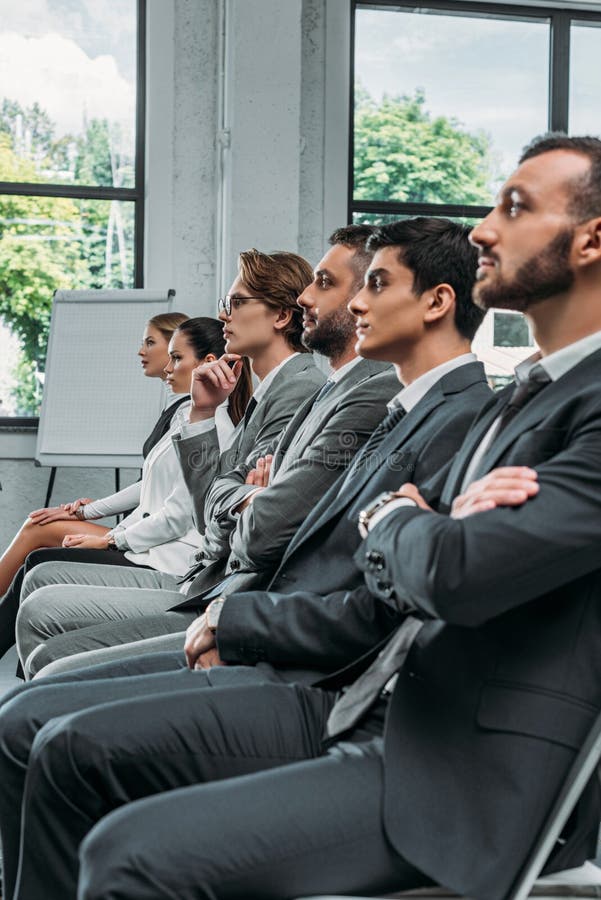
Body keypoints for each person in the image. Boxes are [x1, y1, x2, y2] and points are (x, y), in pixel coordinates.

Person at [0, 210, 497, 900]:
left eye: (364, 284)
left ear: (436, 302)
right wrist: (249, 502)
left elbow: (284, 540)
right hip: (260, 616)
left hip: (305, 662)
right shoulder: (391, 402)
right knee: (29, 710)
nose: (346, 304)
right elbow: (239, 499)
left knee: (52, 733)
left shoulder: (426, 408)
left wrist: (240, 620)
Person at [24, 216, 490, 677]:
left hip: (246, 598)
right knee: (43, 607)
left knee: (48, 645)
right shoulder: (327, 388)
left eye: (329, 283)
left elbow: (258, 532)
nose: (308, 295)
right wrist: (237, 474)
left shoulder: (346, 391)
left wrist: (249, 497)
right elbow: (220, 503)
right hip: (225, 584)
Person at [15, 248, 324, 673]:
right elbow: (214, 507)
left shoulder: (296, 391)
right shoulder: (265, 392)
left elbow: (241, 520)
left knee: (42, 612)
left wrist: (232, 497)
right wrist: (201, 416)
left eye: (235, 303)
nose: (224, 316)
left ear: (281, 317)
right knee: (39, 586)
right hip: (203, 572)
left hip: (215, 585)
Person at [0, 311, 190, 599]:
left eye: (150, 342)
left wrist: (89, 511)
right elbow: (155, 485)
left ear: (176, 346)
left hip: (152, 543)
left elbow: (158, 494)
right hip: (138, 530)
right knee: (38, 538)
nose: (141, 351)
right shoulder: (177, 408)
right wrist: (89, 508)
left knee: (37, 528)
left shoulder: (192, 416)